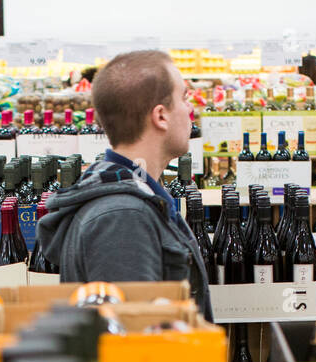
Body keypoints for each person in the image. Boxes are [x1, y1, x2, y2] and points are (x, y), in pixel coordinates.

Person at [36, 49, 211, 319]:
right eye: (184, 98)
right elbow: (135, 340)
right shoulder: (122, 218)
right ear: (160, 116)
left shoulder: (134, 195)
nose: (191, 108)